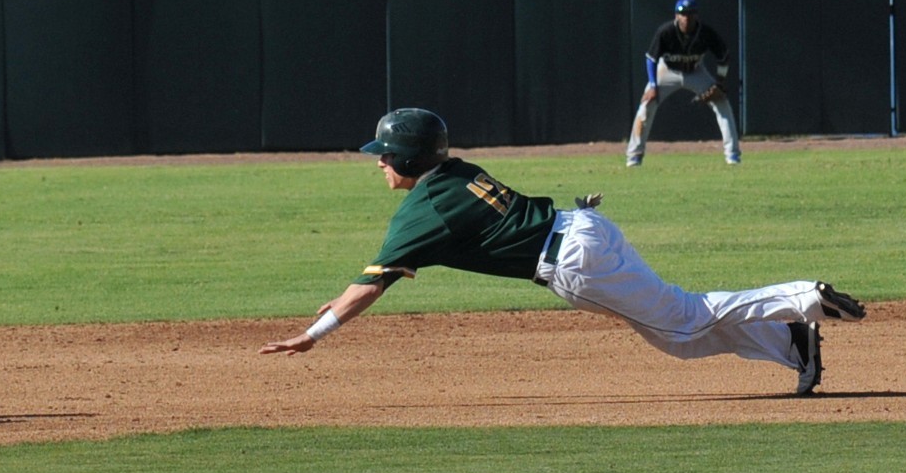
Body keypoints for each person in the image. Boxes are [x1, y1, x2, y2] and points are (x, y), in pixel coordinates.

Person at [260, 108, 866, 395]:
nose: (380, 162)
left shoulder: (423, 211)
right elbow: (372, 275)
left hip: (572, 262)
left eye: (386, 154)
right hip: (582, 228)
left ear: (412, 159)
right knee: (673, 335)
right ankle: (793, 342)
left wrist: (315, 333)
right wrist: (337, 303)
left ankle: (801, 299)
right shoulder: (455, 171)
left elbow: (370, 285)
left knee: (683, 322)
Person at [625, 0, 741, 167]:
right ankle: (634, 156)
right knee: (647, 104)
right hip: (667, 71)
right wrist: (652, 85)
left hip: (696, 71)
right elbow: (651, 58)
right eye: (683, 14)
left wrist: (720, 82)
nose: (686, 18)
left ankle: (733, 156)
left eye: (690, 14)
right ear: (676, 16)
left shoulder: (705, 33)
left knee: (721, 102)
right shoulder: (666, 31)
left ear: (697, 16)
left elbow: (723, 56)